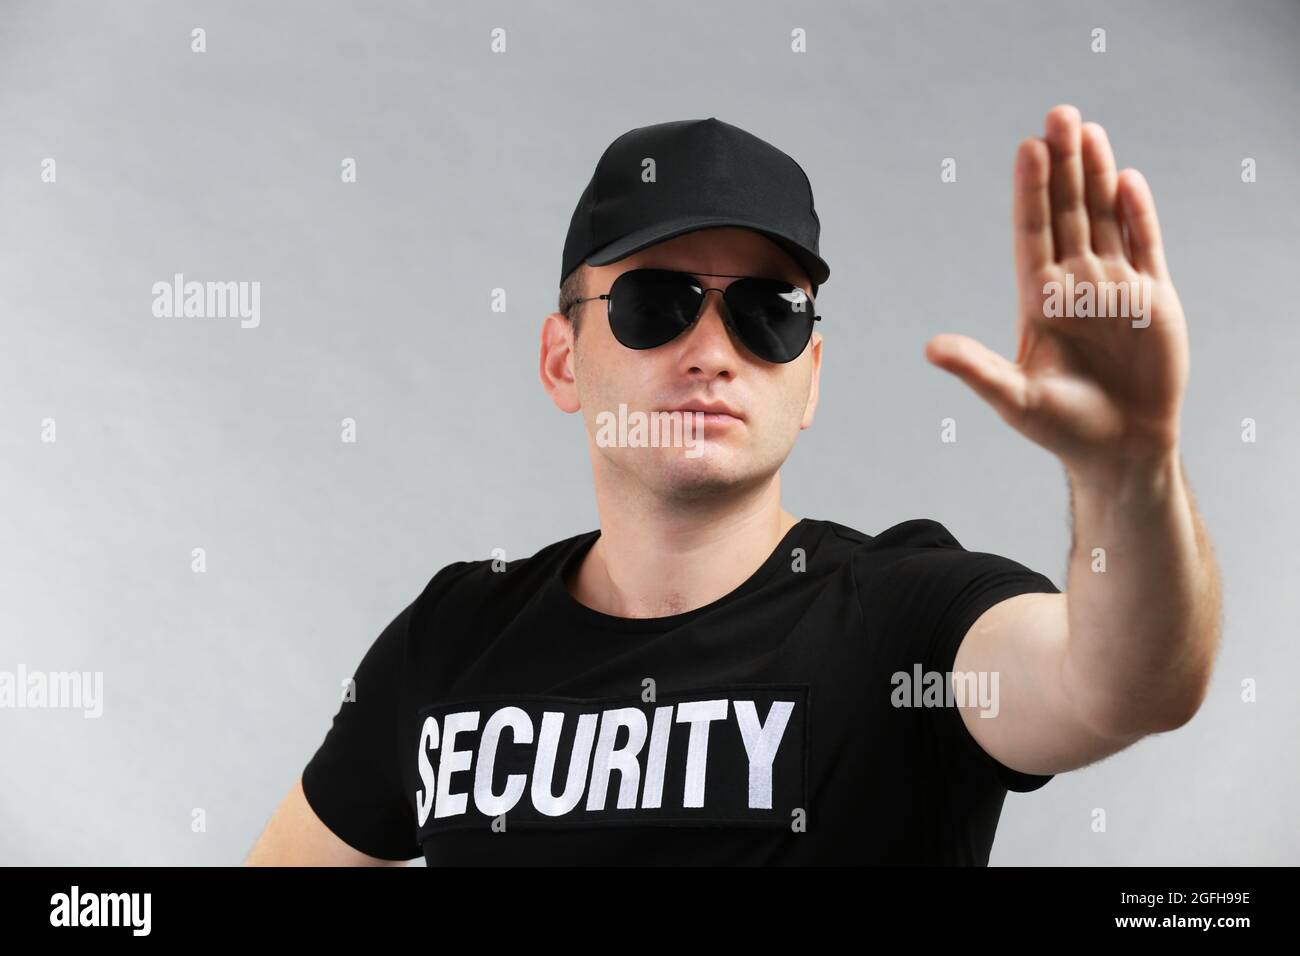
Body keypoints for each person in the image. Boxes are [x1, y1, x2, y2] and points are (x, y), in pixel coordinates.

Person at [245, 109, 1221, 866]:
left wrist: (1128, 477)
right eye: (654, 302)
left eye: (768, 312)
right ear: (560, 360)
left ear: (810, 378)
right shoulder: (454, 635)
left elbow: (1126, 681)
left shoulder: (908, 617)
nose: (712, 350)